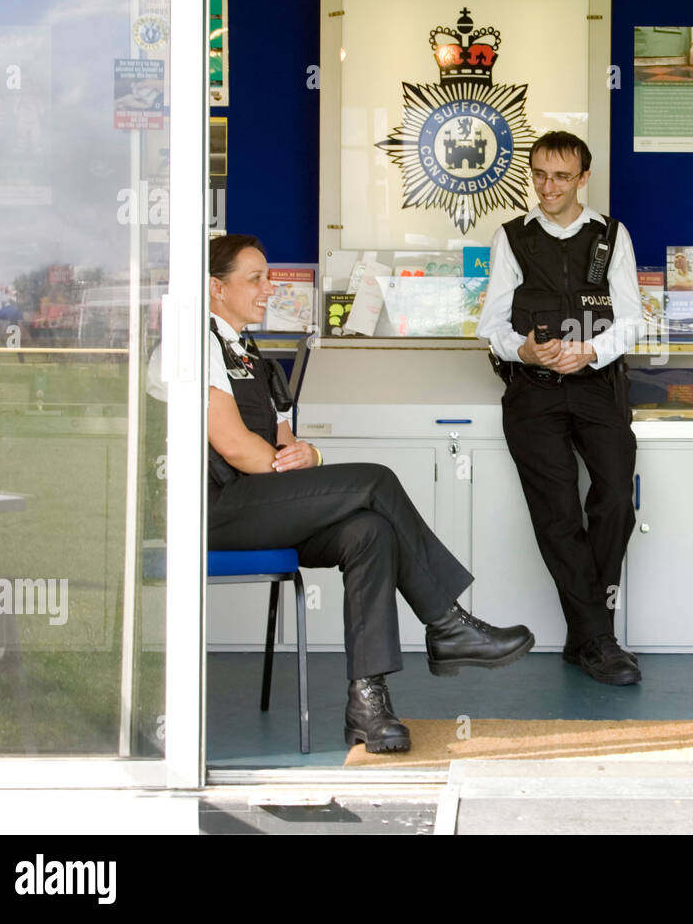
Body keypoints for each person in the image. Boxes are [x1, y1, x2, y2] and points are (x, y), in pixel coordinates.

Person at [204, 234, 534, 753]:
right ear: (215, 288)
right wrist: (289, 467)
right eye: (256, 279)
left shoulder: (252, 353)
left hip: (263, 503)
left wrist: (308, 458)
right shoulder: (197, 343)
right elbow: (233, 445)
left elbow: (286, 441)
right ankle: (447, 623)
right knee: (375, 479)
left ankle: (367, 707)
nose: (270, 288)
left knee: (369, 530)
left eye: (268, 276)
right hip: (220, 512)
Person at [477, 131, 646, 685]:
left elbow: (633, 321)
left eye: (561, 177)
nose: (548, 187)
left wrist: (591, 351)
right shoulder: (512, 237)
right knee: (557, 514)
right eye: (540, 175)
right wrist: (522, 349)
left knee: (616, 498)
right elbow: (491, 325)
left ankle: (584, 632)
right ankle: (600, 640)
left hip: (597, 385)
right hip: (533, 391)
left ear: (583, 178)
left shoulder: (611, 237)